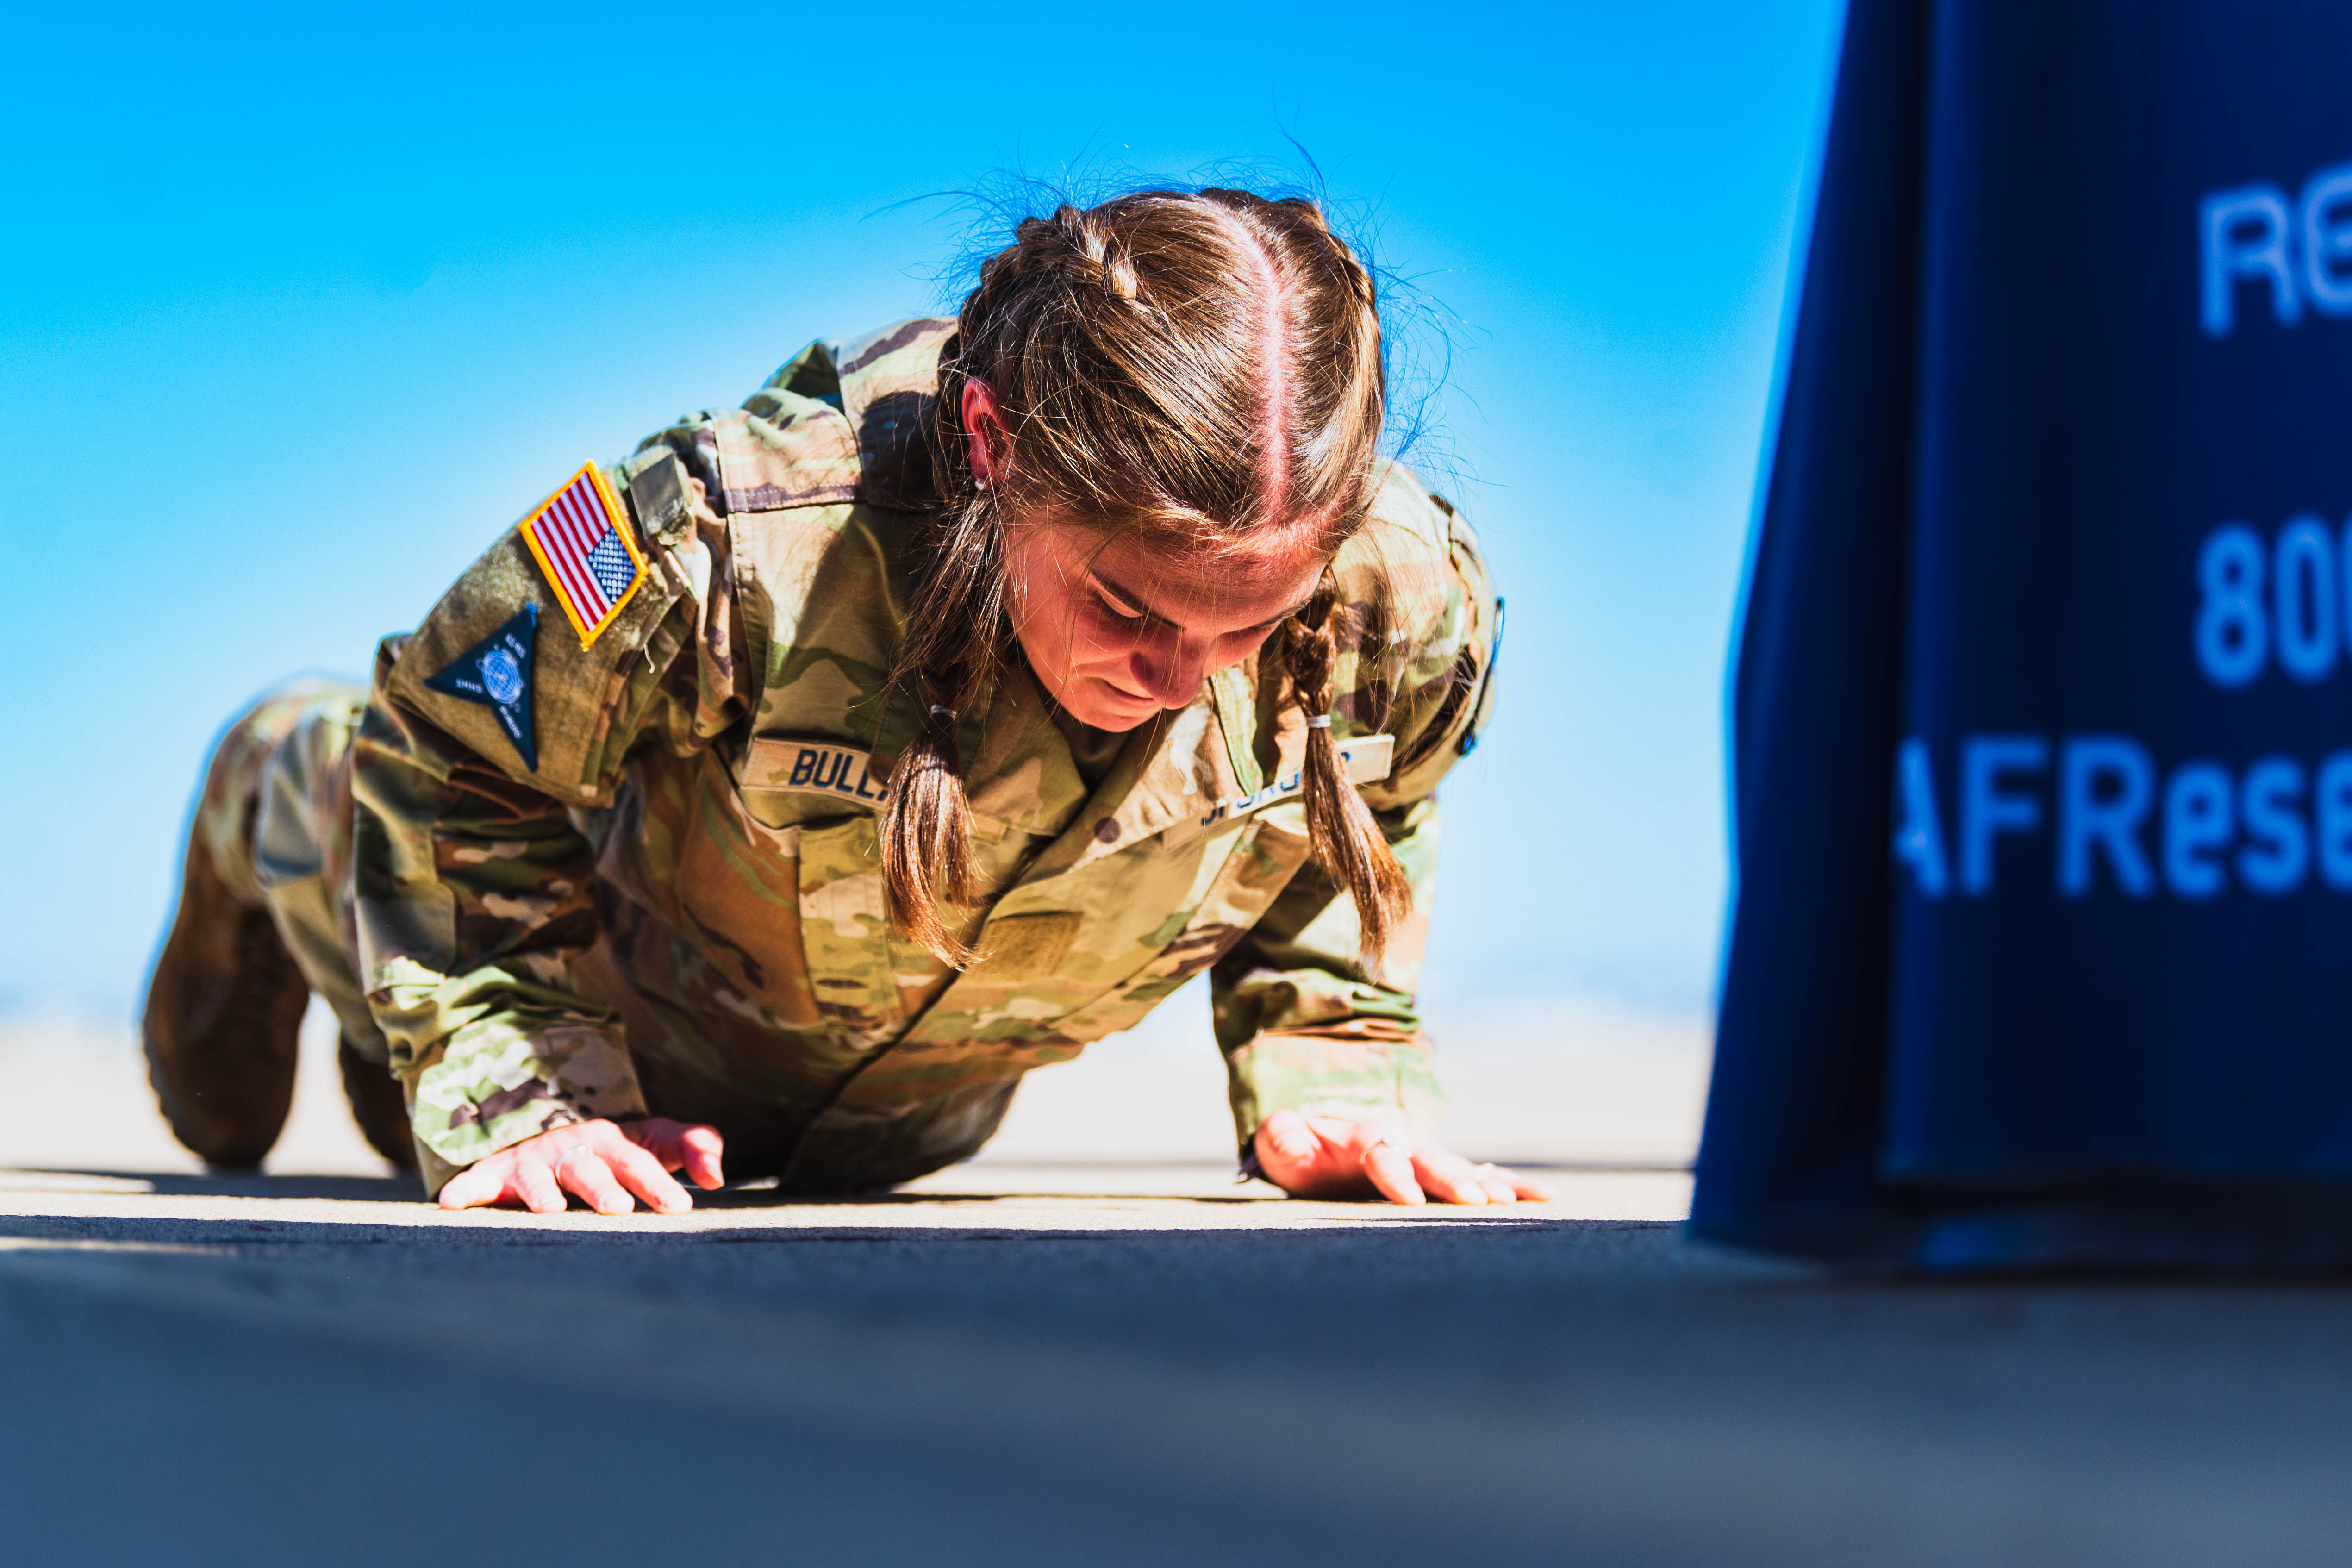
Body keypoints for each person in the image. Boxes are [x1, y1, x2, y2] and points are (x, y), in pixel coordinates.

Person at [142, 186, 1541, 1213]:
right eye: (1127, 606)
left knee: (418, 1112)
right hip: (586, 982)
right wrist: (527, 1092)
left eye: (1248, 622)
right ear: (992, 444)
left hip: (895, 1122)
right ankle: (265, 772)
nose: (1183, 678)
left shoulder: (1394, 606)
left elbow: (1353, 815)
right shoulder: (729, 533)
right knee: (278, 1047)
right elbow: (449, 749)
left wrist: (1333, 1063)